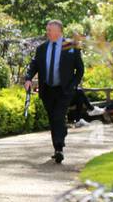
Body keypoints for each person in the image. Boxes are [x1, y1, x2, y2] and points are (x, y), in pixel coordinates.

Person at [24, 19, 84, 163]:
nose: (47, 32)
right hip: (47, 89)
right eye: (47, 30)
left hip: (64, 90)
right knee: (53, 118)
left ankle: (58, 149)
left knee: (58, 115)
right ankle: (58, 143)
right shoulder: (42, 48)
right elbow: (34, 65)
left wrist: (73, 85)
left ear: (58, 31)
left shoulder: (71, 46)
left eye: (50, 30)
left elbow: (80, 70)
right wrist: (28, 78)